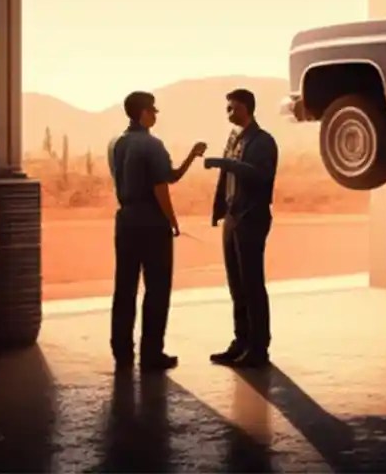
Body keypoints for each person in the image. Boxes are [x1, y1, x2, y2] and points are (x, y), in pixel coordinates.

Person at [108, 91, 206, 370]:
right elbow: (163, 184)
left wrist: (191, 156)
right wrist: (173, 220)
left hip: (125, 221)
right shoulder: (152, 145)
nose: (155, 115)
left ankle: (122, 350)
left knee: (124, 288)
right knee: (157, 289)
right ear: (143, 113)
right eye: (152, 110)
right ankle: (152, 353)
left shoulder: (116, 143)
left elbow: (166, 176)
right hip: (151, 223)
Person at [205, 88, 279, 368]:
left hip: (252, 217)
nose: (229, 113)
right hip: (233, 218)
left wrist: (226, 162)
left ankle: (259, 348)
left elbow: (261, 176)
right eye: (227, 108)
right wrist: (218, 211)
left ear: (247, 108)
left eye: (233, 108)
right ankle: (241, 341)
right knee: (236, 284)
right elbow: (226, 179)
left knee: (252, 284)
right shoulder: (234, 139)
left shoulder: (263, 141)